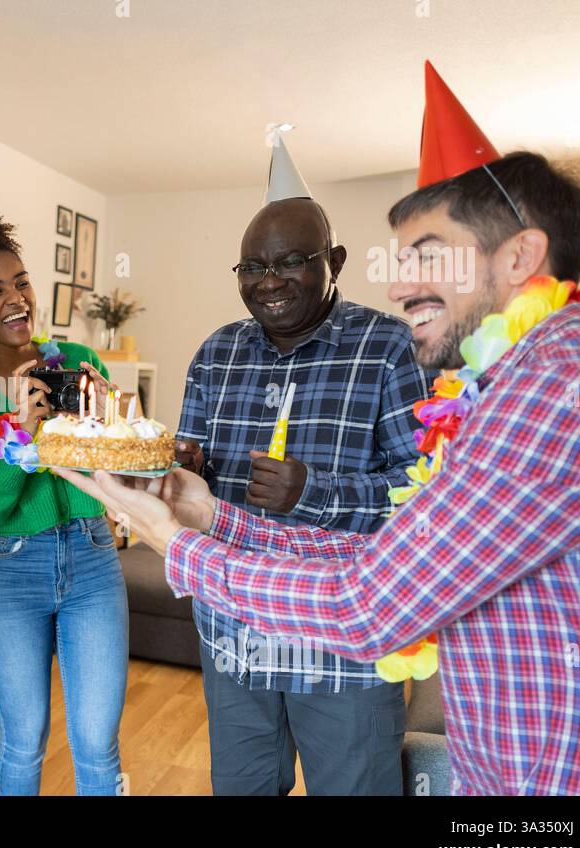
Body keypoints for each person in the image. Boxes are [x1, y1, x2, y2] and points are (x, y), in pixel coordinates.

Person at [58, 64, 580, 796]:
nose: (398, 285)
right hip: (278, 664)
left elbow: (369, 600)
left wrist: (179, 541)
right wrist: (206, 508)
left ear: (519, 256)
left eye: (426, 255)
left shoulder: (559, 396)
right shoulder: (523, 384)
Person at [173, 132, 427, 795]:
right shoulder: (216, 353)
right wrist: (175, 471)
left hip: (343, 642)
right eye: (252, 266)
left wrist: (314, 492)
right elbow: (186, 478)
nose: (269, 280)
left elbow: (423, 492)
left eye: (291, 260)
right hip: (234, 632)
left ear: (335, 259)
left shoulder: (389, 347)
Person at [0, 203, 128, 796]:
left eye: (21, 282)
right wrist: (20, 434)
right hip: (11, 569)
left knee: (97, 742)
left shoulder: (80, 363)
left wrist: (108, 423)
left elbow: (107, 467)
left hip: (92, 559)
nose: (16, 298)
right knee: (23, 738)